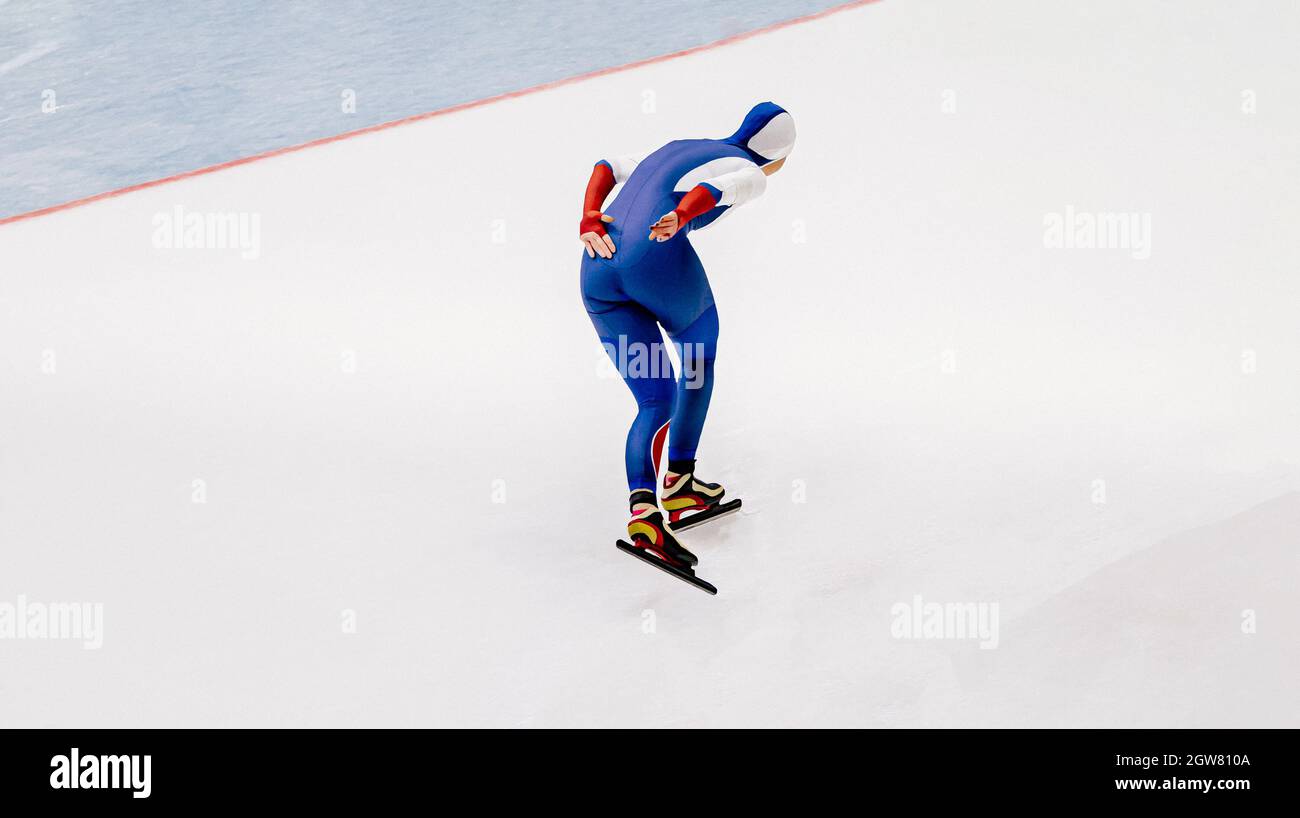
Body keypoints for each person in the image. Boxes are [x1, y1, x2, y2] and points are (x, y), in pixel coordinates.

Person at [578, 101, 796, 575]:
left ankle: (646, 514)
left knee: (655, 401)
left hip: (596, 270)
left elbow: (609, 165)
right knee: (700, 354)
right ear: (779, 156)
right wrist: (682, 214)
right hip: (654, 260)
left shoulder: (683, 147)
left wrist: (589, 215)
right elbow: (718, 188)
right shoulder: (752, 170)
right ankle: (678, 480)